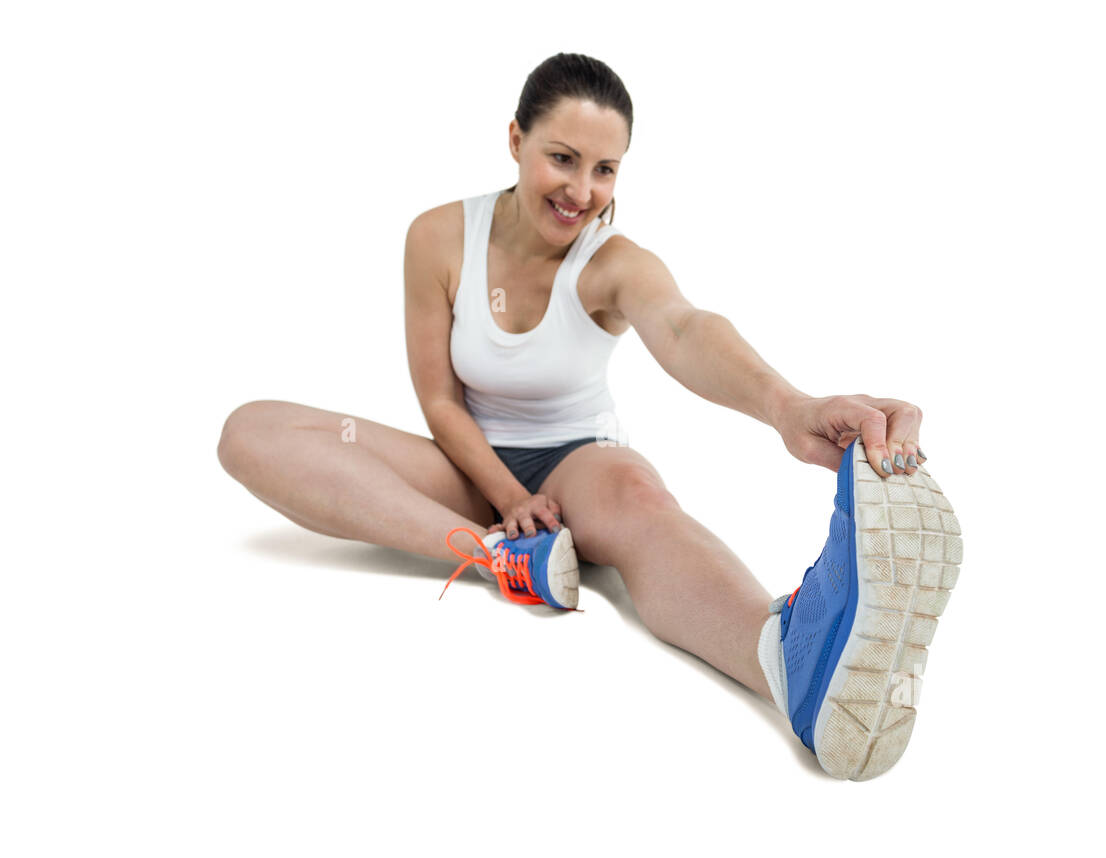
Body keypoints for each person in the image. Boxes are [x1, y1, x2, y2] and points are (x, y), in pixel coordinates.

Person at [217, 53, 962, 780]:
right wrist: (508, 503)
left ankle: (788, 663)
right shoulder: (438, 237)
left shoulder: (612, 262)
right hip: (468, 467)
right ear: (516, 140)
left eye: (605, 170)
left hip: (579, 462)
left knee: (642, 501)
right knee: (250, 430)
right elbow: (440, 401)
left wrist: (788, 406)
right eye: (563, 158)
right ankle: (501, 558)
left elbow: (683, 327)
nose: (582, 190)